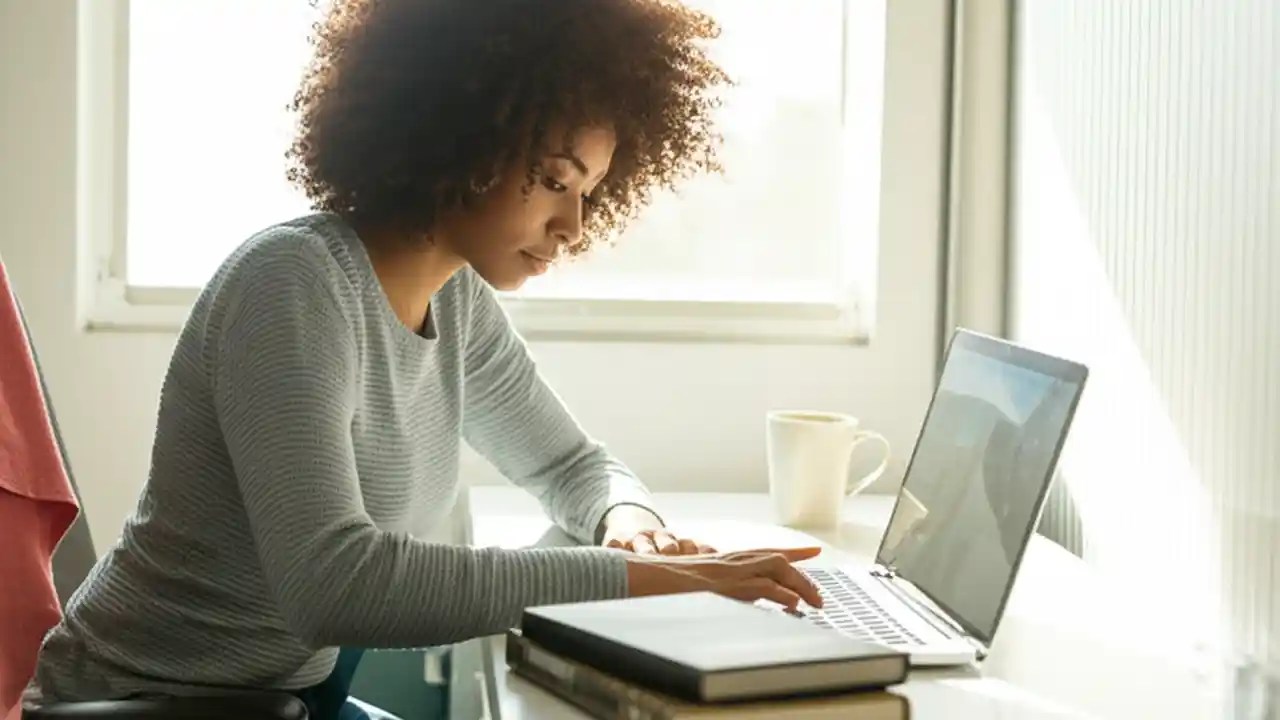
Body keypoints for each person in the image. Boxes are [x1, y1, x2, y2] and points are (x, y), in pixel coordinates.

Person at [27, 0, 824, 716]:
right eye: (553, 180)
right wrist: (637, 584)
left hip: (280, 701)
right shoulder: (291, 287)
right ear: (464, 136)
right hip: (137, 704)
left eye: (590, 191)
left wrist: (632, 525)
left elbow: (572, 464)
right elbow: (336, 586)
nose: (574, 224)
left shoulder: (457, 300)